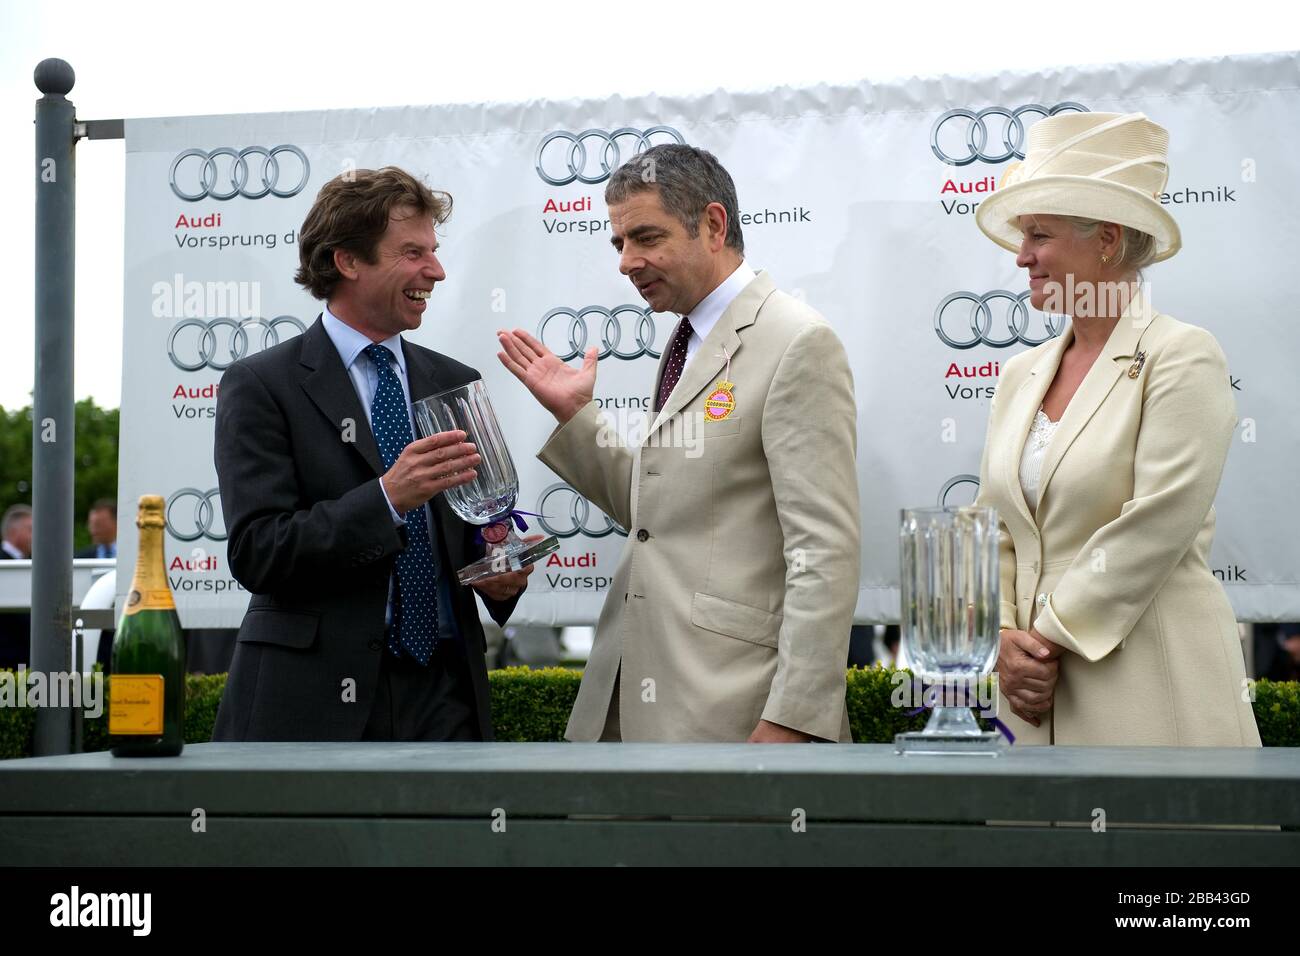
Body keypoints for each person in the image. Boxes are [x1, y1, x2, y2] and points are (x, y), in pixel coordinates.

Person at [498, 144, 859, 743]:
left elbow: (824, 552)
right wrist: (576, 417)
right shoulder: (688, 337)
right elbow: (659, 512)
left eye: (645, 237)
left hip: (732, 710)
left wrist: (796, 715)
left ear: (713, 225)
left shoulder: (798, 342)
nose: (626, 262)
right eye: (618, 244)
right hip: (634, 695)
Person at [212, 166, 533, 742]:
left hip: (446, 697)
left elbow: (483, 529)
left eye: (433, 252)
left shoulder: (454, 381)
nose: (435, 271)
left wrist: (502, 572)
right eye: (412, 252)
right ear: (347, 261)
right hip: (312, 701)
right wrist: (387, 498)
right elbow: (258, 551)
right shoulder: (262, 384)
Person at [972, 112, 1260, 746]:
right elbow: (991, 528)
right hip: (1025, 705)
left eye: (1038, 236)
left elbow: (1156, 521)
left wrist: (1043, 640)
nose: (1021, 257)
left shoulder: (1183, 354)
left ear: (1105, 238)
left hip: (1148, 690)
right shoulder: (1020, 373)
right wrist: (999, 640)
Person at [0, 504, 32, 669]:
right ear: (14, 532)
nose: (35, 535)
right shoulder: (4, 565)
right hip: (8, 664)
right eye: (31, 529)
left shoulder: (26, 564)